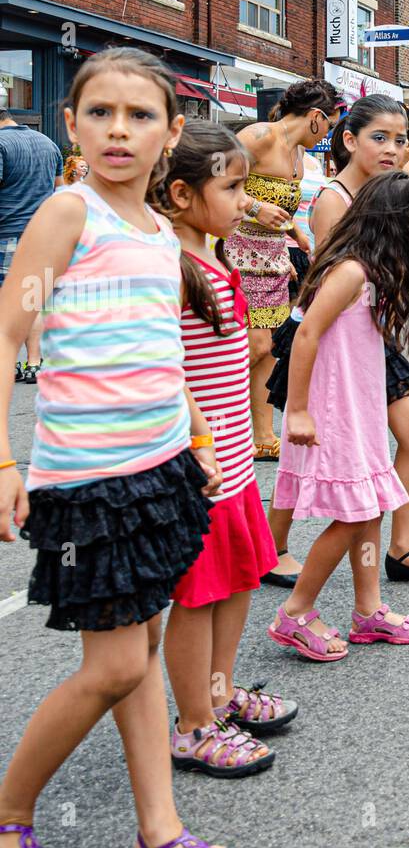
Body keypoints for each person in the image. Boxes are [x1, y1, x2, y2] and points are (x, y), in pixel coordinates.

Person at [0, 46, 252, 848]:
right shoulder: (68, 215)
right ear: (70, 125)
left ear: (170, 133)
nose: (119, 129)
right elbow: (5, 336)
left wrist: (199, 435)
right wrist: (2, 458)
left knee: (141, 652)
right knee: (111, 666)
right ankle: (8, 816)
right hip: (87, 488)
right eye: (99, 113)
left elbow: (159, 352)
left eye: (139, 116)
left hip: (161, 475)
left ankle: (160, 835)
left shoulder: (154, 233)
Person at [268, 96, 409, 586]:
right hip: (330, 334)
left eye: (400, 140)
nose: (391, 148)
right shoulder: (336, 198)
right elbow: (331, 292)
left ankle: (403, 547)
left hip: (367, 328)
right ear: (349, 140)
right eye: (379, 138)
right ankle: (273, 548)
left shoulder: (390, 193)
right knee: (308, 448)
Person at [158, 121, 295, 776]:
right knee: (198, 593)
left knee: (238, 576)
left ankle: (219, 690)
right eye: (232, 187)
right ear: (182, 195)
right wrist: (194, 443)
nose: (246, 200)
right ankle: (192, 724)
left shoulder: (217, 253)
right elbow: (166, 369)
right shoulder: (170, 263)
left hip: (236, 458)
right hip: (200, 460)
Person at [268, 171, 409, 657]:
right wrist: (296, 411)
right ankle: (296, 613)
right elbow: (305, 335)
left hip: (359, 410)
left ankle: (368, 612)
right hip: (334, 413)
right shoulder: (351, 272)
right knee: (351, 515)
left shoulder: (373, 273)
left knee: (370, 511)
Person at [224, 79, 344, 458]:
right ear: (314, 117)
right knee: (255, 345)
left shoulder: (296, 155)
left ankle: (262, 438)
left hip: (274, 256)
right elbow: (212, 176)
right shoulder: (259, 136)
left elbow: (278, 202)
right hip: (237, 250)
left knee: (270, 348)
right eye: (330, 125)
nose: (330, 134)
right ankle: (205, 415)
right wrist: (257, 209)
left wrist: (293, 230)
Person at [1, 91, 63, 385]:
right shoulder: (48, 144)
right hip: (42, 235)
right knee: (32, 300)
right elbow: (60, 191)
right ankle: (34, 362)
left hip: (6, 233)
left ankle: (9, 362)